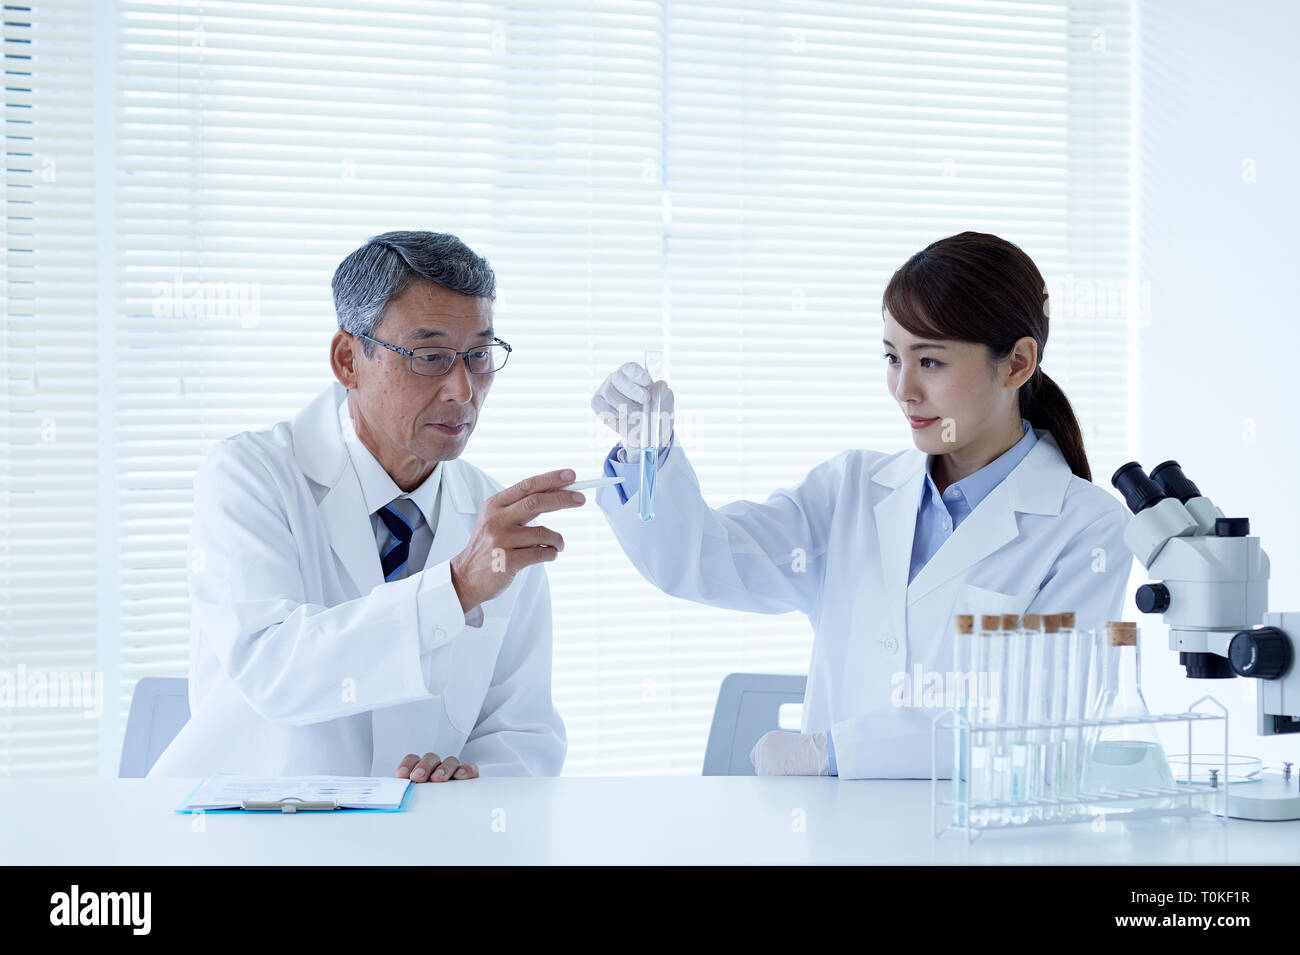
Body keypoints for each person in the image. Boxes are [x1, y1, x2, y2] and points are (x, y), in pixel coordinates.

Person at [589, 231, 1133, 778]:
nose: (904, 389)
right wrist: (647, 452)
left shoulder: (1086, 528)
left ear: (1017, 363)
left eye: (931, 362)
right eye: (893, 357)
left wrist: (833, 753)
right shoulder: (851, 489)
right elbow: (703, 560)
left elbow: (1037, 725)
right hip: (835, 836)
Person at [149, 231, 580, 781]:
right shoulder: (248, 476)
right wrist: (454, 590)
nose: (462, 390)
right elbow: (275, 671)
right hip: (256, 839)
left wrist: (472, 786)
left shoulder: (493, 519)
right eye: (430, 357)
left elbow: (523, 730)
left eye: (478, 357)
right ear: (348, 359)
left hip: (418, 845)